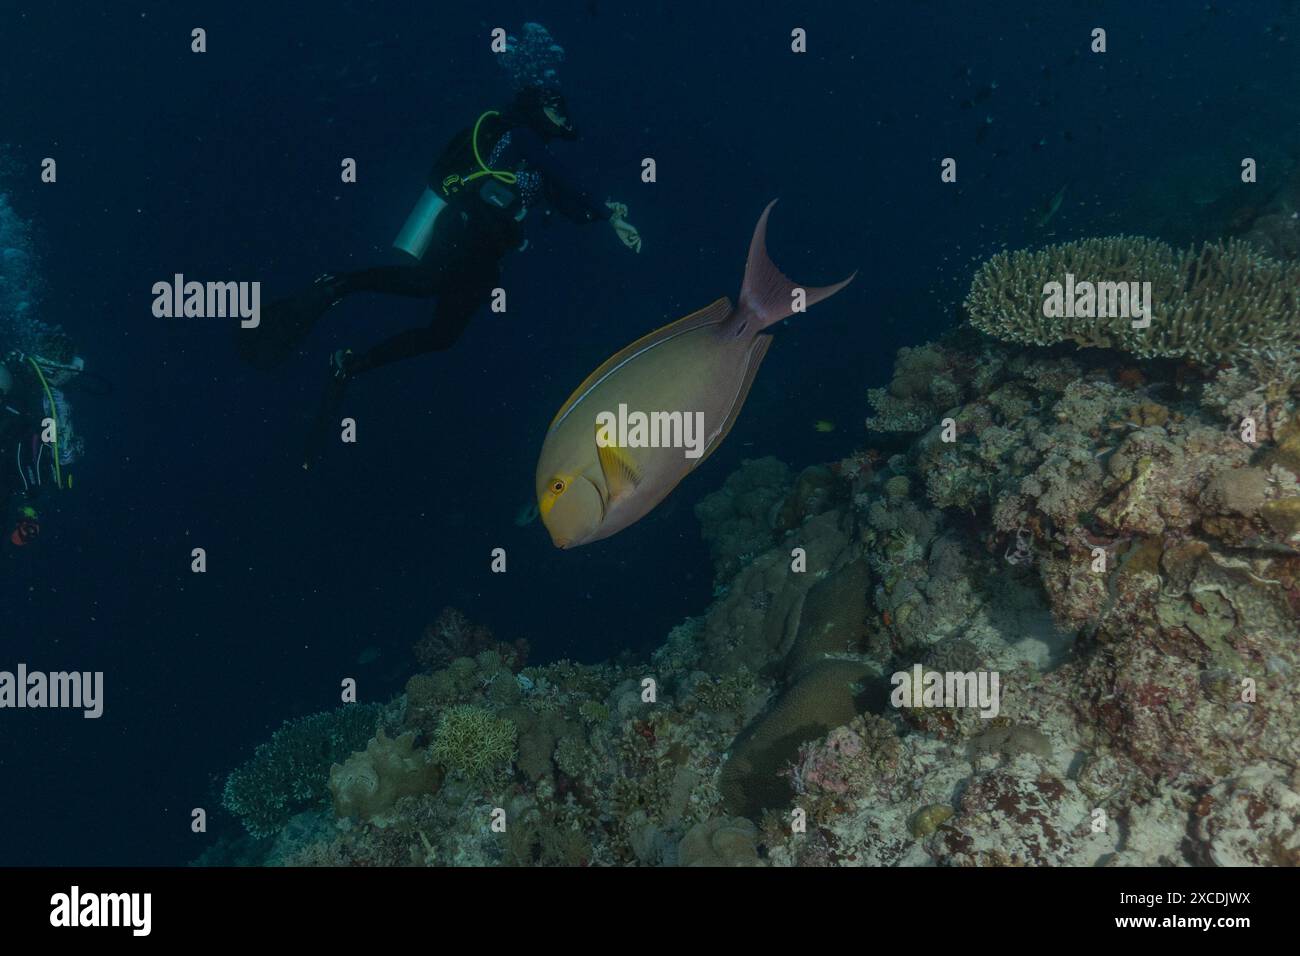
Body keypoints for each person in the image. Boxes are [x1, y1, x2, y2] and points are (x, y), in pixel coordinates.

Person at [238, 85, 641, 468]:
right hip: (465, 229)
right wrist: (604, 214)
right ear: (537, 107)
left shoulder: (532, 164)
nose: (562, 117)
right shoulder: (519, 137)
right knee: (424, 283)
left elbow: (566, 201)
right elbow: (556, 173)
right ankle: (339, 284)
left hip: (487, 254)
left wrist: (607, 214)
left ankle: (351, 364)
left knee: (443, 335)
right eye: (554, 107)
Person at [0, 341, 83, 549]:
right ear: (57, 367)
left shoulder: (22, 380)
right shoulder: (43, 394)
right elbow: (62, 456)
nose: (71, 377)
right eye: (71, 371)